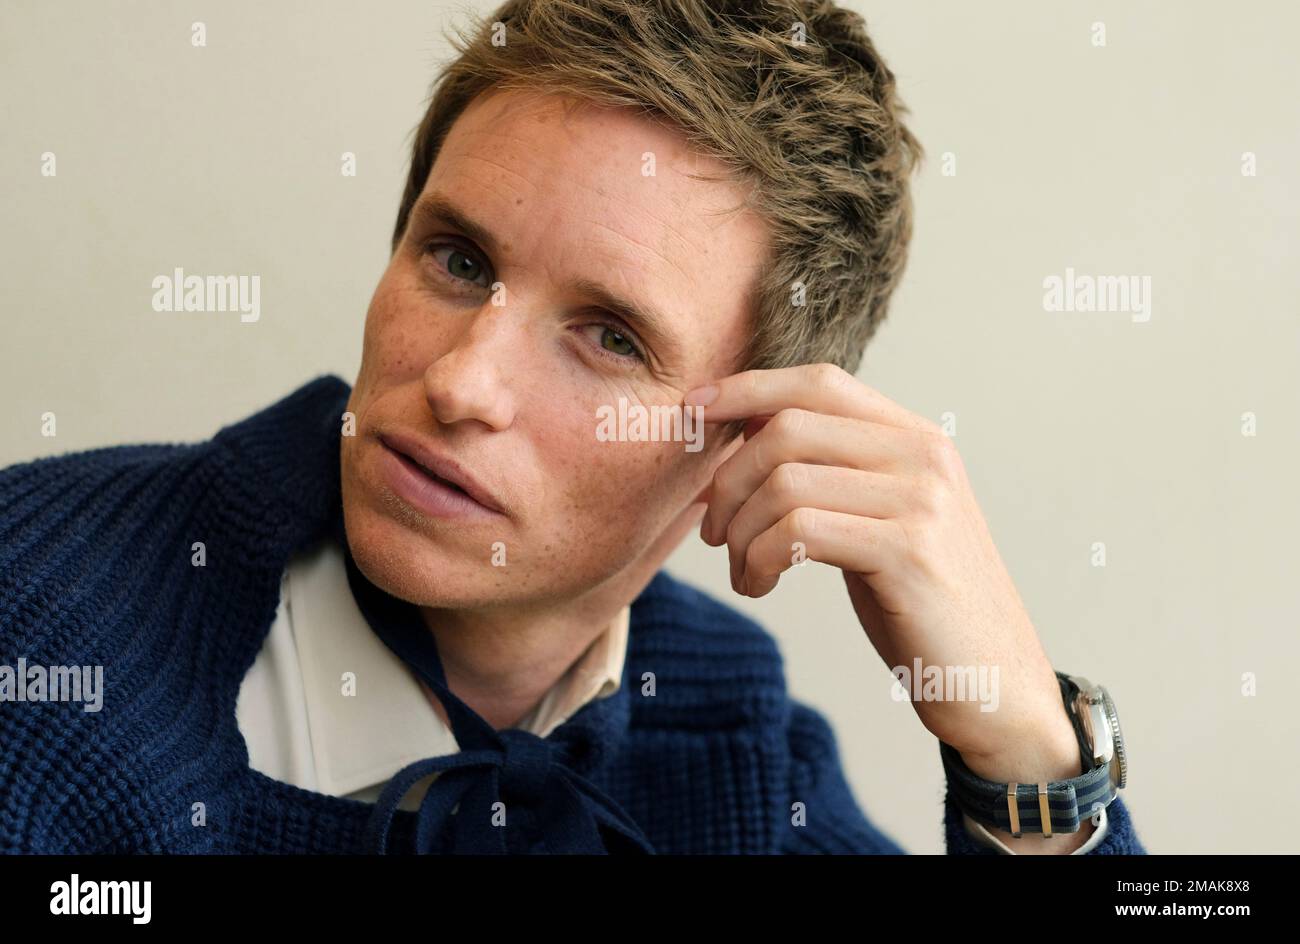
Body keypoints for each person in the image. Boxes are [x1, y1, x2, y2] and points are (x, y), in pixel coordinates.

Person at [0, 0, 1144, 854]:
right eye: (456, 260)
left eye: (608, 336)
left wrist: (1030, 758)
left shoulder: (728, 728)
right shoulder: (44, 634)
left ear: (747, 445)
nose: (462, 380)